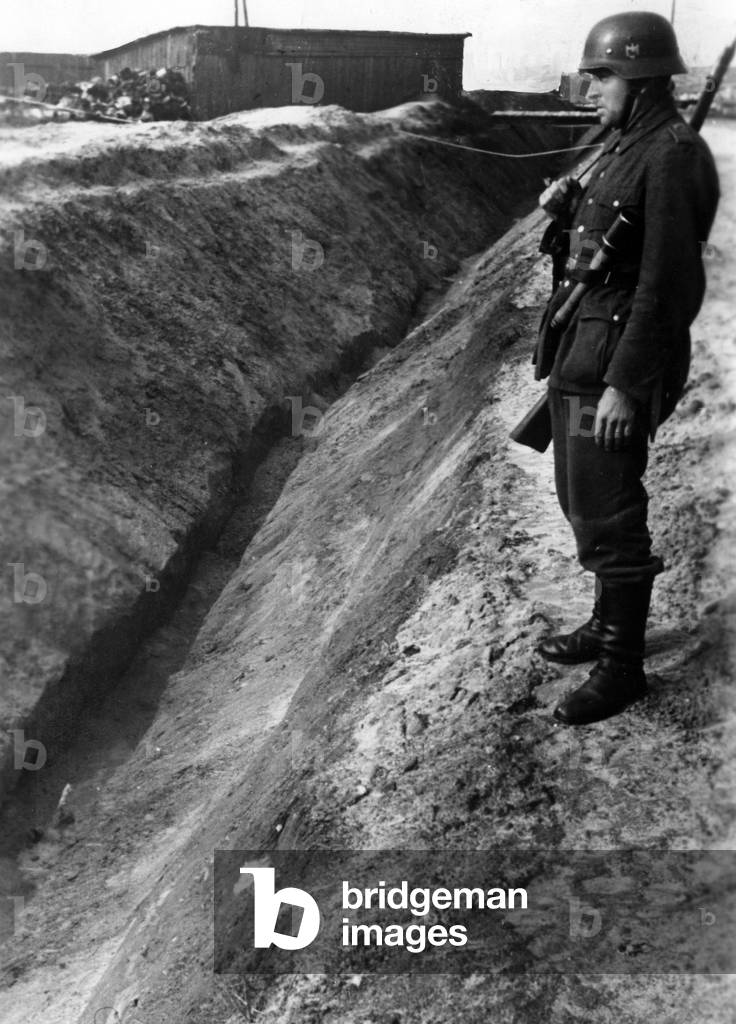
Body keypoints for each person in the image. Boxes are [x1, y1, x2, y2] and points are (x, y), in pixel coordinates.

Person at [534, 11, 720, 725]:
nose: (590, 90)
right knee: (581, 498)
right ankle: (603, 625)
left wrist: (626, 384)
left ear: (639, 78)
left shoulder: (672, 154)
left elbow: (669, 283)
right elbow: (596, 249)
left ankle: (622, 667)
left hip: (614, 363)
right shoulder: (624, 146)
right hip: (583, 351)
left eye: (602, 76)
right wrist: (563, 210)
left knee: (609, 511)